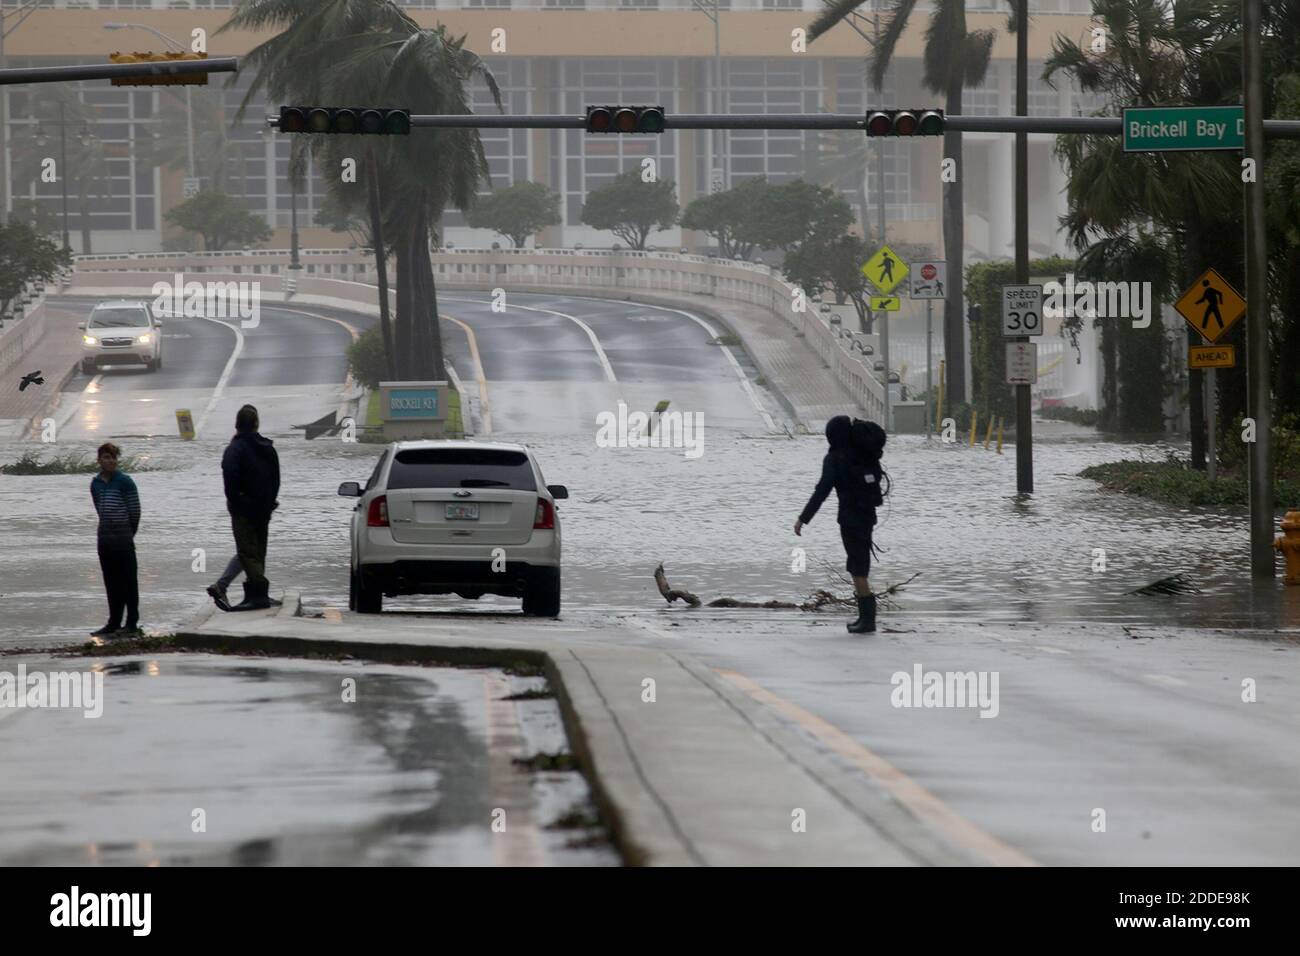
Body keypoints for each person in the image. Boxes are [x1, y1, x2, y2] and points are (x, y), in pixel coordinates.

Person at [793, 416, 888, 634]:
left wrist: (803, 519)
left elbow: (822, 491)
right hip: (867, 515)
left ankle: (867, 620)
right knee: (859, 564)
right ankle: (866, 618)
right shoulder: (863, 454)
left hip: (850, 518)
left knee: (857, 567)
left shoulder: (835, 458)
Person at [219, 404, 281, 611]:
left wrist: (236, 502)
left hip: (243, 510)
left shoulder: (235, 450)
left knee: (247, 551)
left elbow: (229, 478)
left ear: (236, 424)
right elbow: (276, 479)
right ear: (256, 424)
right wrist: (270, 501)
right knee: (259, 550)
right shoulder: (267, 447)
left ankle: (258, 592)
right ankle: (255, 592)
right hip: (264, 508)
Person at [89, 442, 141, 636]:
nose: (110, 461)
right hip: (104, 541)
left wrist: (127, 533)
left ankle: (132, 623)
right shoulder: (95, 483)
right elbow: (99, 510)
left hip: (123, 540)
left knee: (129, 582)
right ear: (99, 460)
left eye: (113, 457)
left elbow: (134, 511)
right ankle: (114, 622)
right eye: (106, 457)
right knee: (111, 583)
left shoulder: (125, 482)